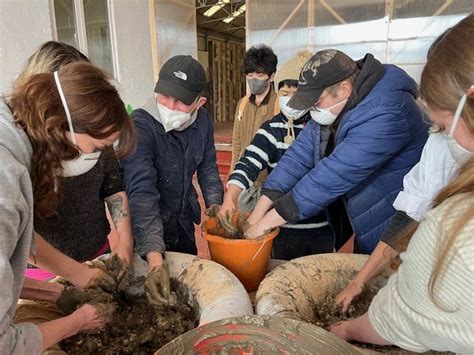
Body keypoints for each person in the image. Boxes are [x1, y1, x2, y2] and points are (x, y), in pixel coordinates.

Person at [330, 14, 474, 353]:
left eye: (444, 125)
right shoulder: (443, 146)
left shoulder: (456, 230)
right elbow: (410, 213)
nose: (445, 137)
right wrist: (359, 280)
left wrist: (348, 330)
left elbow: (403, 318)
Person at [1, 61, 134, 352]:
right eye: (96, 148)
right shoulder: (5, 185)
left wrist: (68, 285)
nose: (98, 157)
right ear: (61, 126)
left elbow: (20, 235)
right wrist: (79, 321)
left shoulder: (15, 124)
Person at [244, 49, 428, 254]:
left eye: (316, 102)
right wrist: (257, 213)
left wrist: (265, 223)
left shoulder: (388, 111)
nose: (313, 110)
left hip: (397, 228)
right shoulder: (338, 106)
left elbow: (330, 176)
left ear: (344, 89)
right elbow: (298, 156)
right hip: (368, 216)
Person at [13, 41, 135, 283]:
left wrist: (125, 239)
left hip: (98, 252)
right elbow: (20, 233)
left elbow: (113, 186)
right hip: (42, 271)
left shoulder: (96, 127)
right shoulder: (19, 149)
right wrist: (74, 274)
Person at [121, 55, 223, 302]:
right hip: (147, 226)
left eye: (180, 102)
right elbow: (142, 193)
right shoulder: (140, 126)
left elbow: (208, 166)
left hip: (183, 221)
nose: (169, 105)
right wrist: (155, 260)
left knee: (184, 286)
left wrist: (214, 206)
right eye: (164, 96)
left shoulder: (203, 122)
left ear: (200, 102)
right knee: (149, 293)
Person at [219, 50, 334, 260]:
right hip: (282, 227)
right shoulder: (272, 129)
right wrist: (230, 195)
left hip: (323, 226)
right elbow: (249, 161)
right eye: (284, 93)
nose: (290, 100)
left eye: (296, 93)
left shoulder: (324, 128)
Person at [231, 44, 279, 172]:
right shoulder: (243, 103)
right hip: (243, 177)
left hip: (268, 179)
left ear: (272, 76)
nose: (253, 80)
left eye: (259, 75)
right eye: (250, 75)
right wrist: (232, 173)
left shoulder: (279, 105)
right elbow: (236, 143)